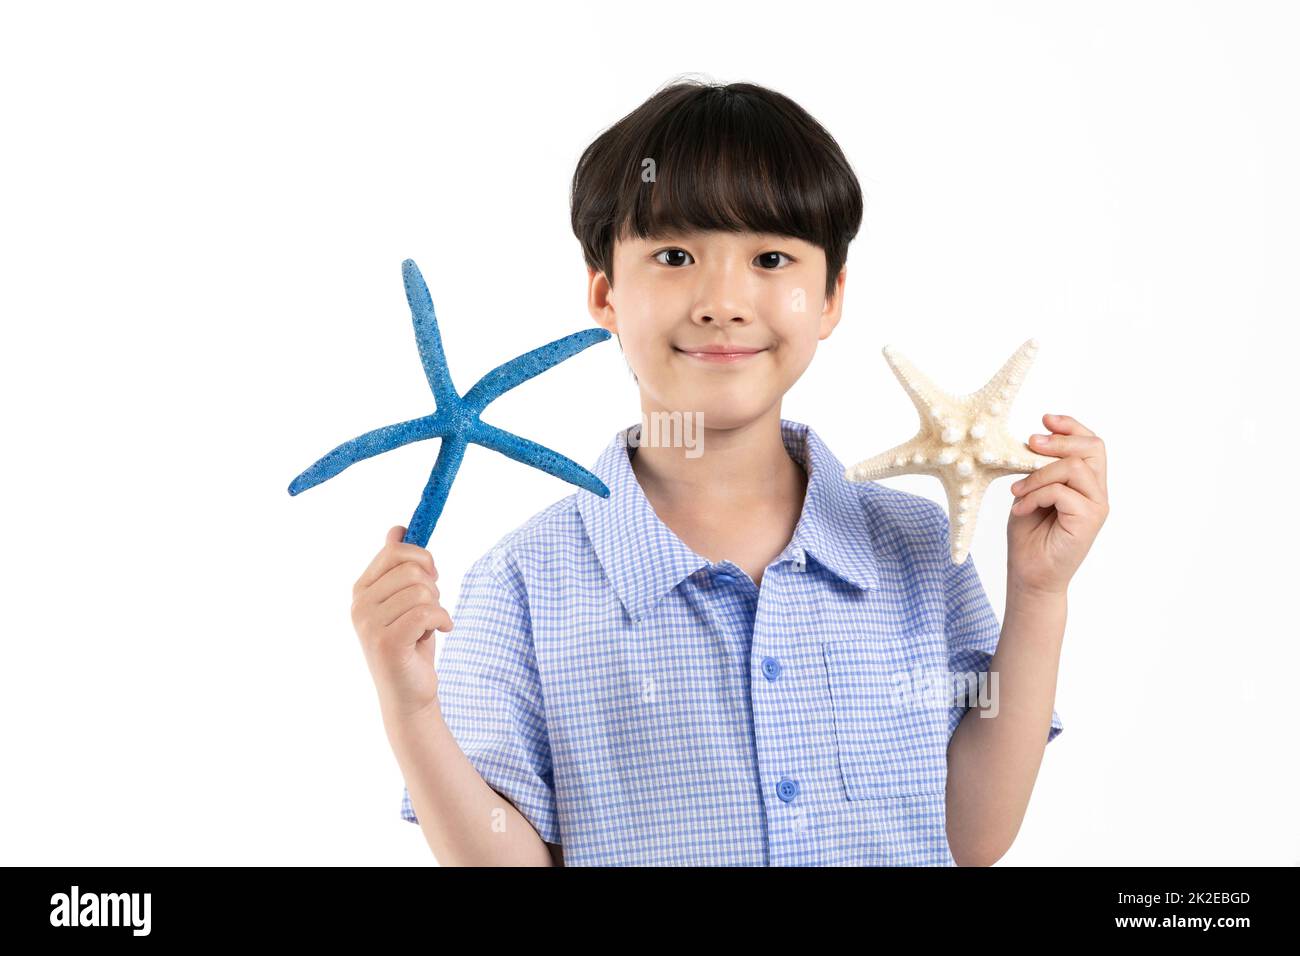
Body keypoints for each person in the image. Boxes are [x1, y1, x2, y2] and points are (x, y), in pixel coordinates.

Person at [351, 77, 1109, 866]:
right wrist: (412, 714)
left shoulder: (915, 544)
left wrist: (1040, 594)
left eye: (770, 257)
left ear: (829, 297)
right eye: (675, 256)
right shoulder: (524, 583)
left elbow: (970, 835)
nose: (722, 301)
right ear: (605, 293)